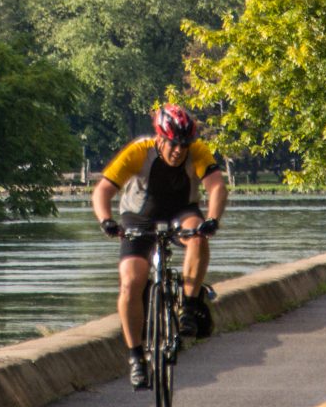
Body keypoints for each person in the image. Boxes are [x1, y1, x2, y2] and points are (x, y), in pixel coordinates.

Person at [93, 103, 228, 389]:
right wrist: (106, 221)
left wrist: (213, 219)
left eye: (184, 144)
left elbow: (216, 186)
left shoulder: (198, 151)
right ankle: (136, 357)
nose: (179, 151)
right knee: (131, 282)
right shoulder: (139, 152)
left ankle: (189, 306)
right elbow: (103, 190)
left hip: (181, 211)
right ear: (159, 138)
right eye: (173, 144)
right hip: (139, 217)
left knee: (198, 237)